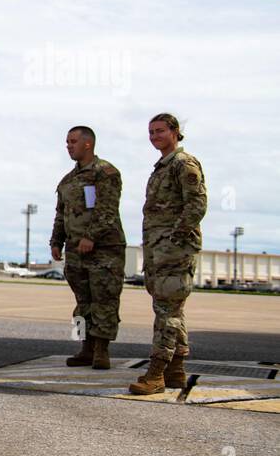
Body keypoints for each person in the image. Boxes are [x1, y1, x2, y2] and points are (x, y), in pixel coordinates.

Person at [129, 113, 207, 395]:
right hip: (159, 250)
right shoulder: (162, 167)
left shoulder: (183, 164)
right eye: (150, 132)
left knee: (166, 312)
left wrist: (175, 239)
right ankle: (176, 371)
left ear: (175, 132)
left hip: (173, 250)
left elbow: (196, 204)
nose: (154, 136)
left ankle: (156, 373)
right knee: (172, 309)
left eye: (159, 131)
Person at [48, 126, 126, 370]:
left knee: (104, 300)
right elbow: (61, 214)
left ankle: (102, 351)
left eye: (73, 141)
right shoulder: (67, 181)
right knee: (82, 302)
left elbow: (107, 209)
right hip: (75, 250)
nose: (68, 146)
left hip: (104, 250)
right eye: (67, 142)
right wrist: (56, 241)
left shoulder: (105, 172)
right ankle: (85, 347)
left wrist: (91, 236)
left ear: (88, 144)